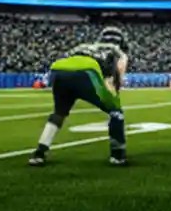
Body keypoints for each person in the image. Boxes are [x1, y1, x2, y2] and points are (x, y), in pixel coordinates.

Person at [29, 26, 129, 167]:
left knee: (59, 113)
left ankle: (39, 153)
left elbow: (63, 59)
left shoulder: (84, 46)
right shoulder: (118, 52)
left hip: (59, 69)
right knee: (116, 113)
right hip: (87, 71)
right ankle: (117, 155)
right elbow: (116, 78)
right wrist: (113, 99)